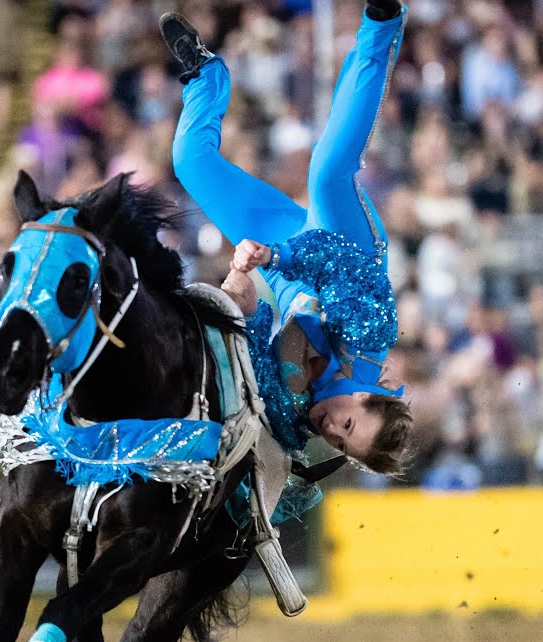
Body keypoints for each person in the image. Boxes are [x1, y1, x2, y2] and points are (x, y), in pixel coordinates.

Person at [162, 1, 412, 474]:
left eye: (341, 446)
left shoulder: (293, 415)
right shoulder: (369, 337)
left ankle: (205, 75)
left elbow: (252, 350)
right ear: (365, 396)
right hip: (344, 243)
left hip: (284, 270)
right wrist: (277, 255)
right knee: (326, 173)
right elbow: (336, 262)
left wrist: (241, 290)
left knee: (190, 164)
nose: (332, 433)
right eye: (349, 427)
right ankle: (382, 23)